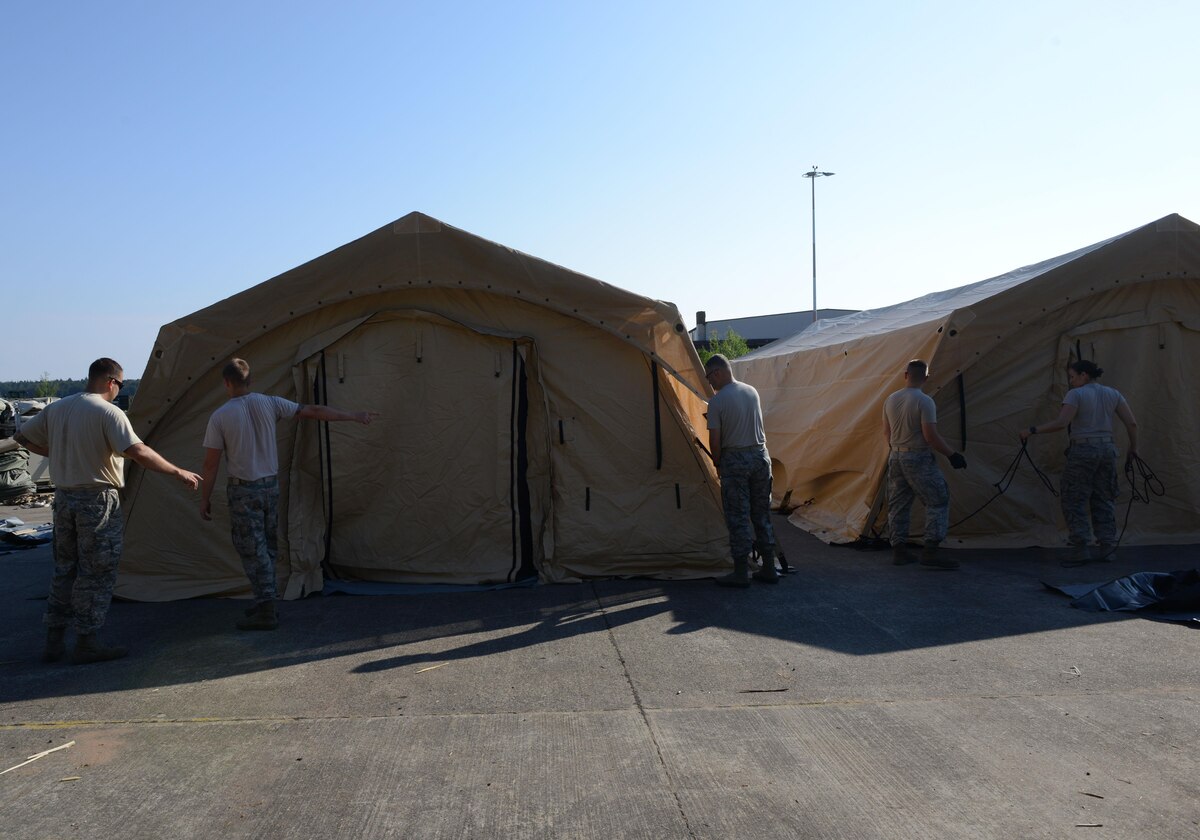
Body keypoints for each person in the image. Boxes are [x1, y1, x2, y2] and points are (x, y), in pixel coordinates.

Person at [15, 358, 202, 664]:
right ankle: (87, 641)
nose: (119, 390)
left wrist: (57, 451)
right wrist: (177, 472)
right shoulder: (108, 412)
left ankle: (54, 639)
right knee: (97, 571)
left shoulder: (58, 408)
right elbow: (137, 451)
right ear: (111, 382)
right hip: (96, 500)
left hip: (63, 499)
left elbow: (22, 437)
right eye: (121, 385)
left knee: (65, 568)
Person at [200, 358, 378, 630]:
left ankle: (267, 609)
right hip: (270, 487)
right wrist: (354, 416)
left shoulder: (221, 416)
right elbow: (314, 410)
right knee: (268, 547)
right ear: (250, 381)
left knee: (252, 549)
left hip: (243, 489)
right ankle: (264, 601)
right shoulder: (270, 403)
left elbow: (210, 465)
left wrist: (205, 498)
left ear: (226, 383)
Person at [1020, 359, 1138, 564]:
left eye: (1073, 376)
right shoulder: (1113, 394)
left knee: (1074, 499)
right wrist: (1133, 449)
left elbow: (1062, 423)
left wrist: (1032, 430)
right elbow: (1132, 423)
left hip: (1084, 449)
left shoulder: (1076, 394)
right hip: (1108, 450)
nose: (1071, 381)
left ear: (1084, 375)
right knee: (1104, 497)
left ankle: (1080, 548)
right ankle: (1107, 547)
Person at [882, 359, 968, 569]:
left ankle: (899, 552)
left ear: (905, 375)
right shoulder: (924, 401)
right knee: (938, 500)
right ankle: (931, 552)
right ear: (927, 378)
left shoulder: (890, 399)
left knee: (898, 505)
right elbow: (930, 436)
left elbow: (887, 433)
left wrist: (897, 449)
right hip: (917, 457)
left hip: (896, 456)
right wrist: (952, 455)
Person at [704, 353, 778, 587]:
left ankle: (740, 572)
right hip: (760, 457)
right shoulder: (751, 391)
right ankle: (768, 567)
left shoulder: (716, 401)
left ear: (717, 372)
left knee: (737, 517)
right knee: (761, 514)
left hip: (735, 460)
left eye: (709, 377)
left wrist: (717, 463)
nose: (709, 383)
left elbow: (715, 441)